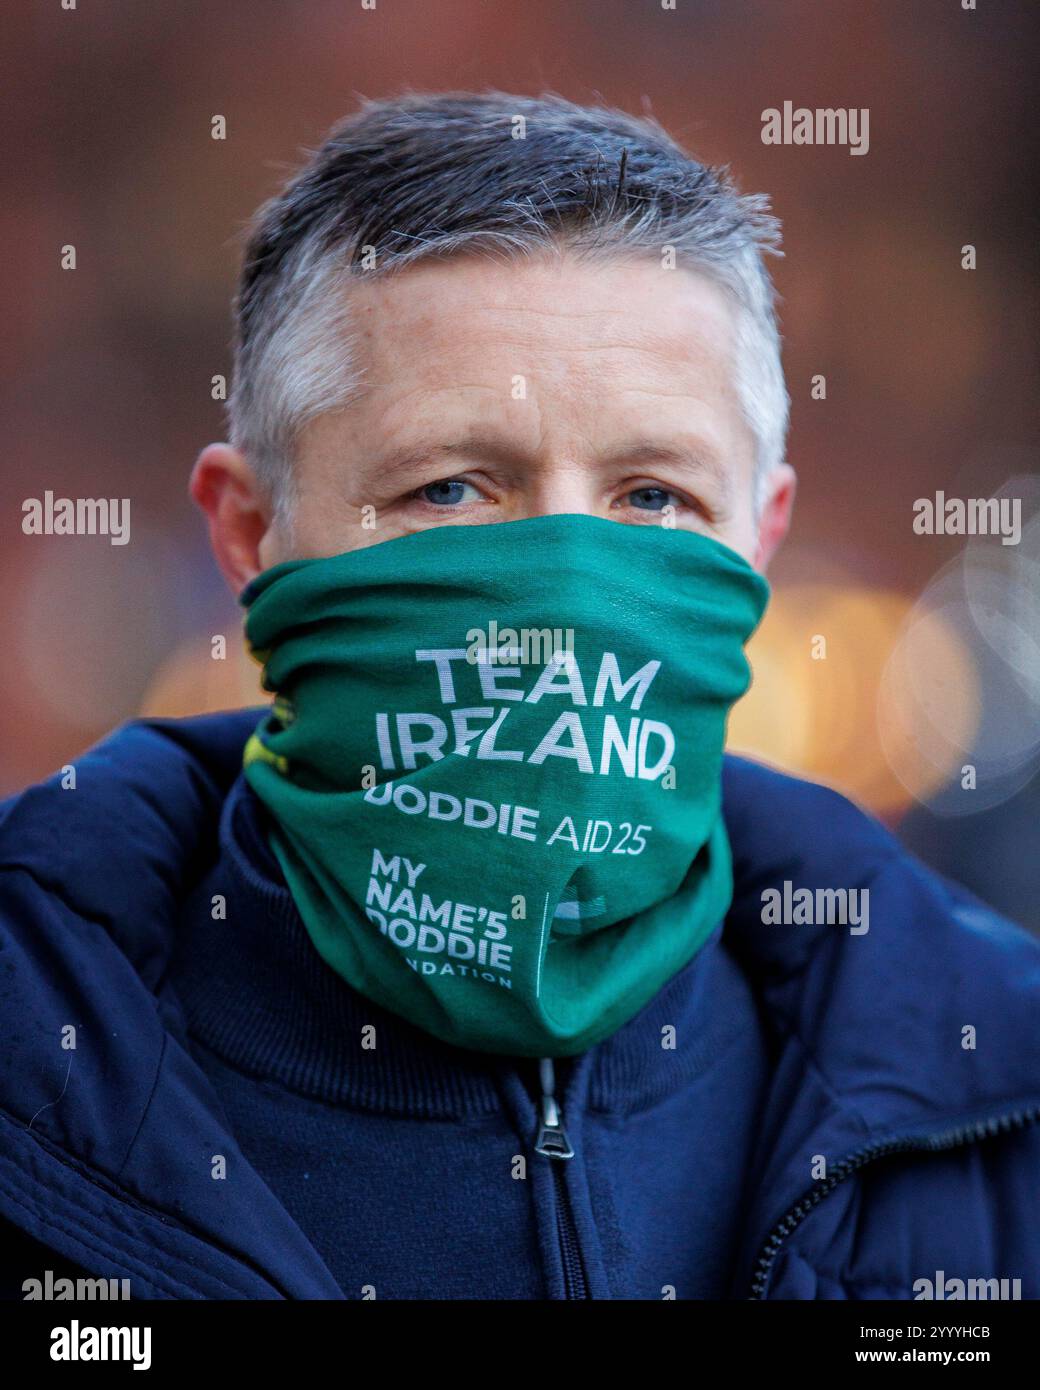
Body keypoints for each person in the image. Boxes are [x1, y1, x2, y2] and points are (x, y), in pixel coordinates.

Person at [2, 92, 1038, 1302]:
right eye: (448, 489)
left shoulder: (996, 1095)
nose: (562, 592)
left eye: (652, 497)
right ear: (249, 533)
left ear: (757, 540)